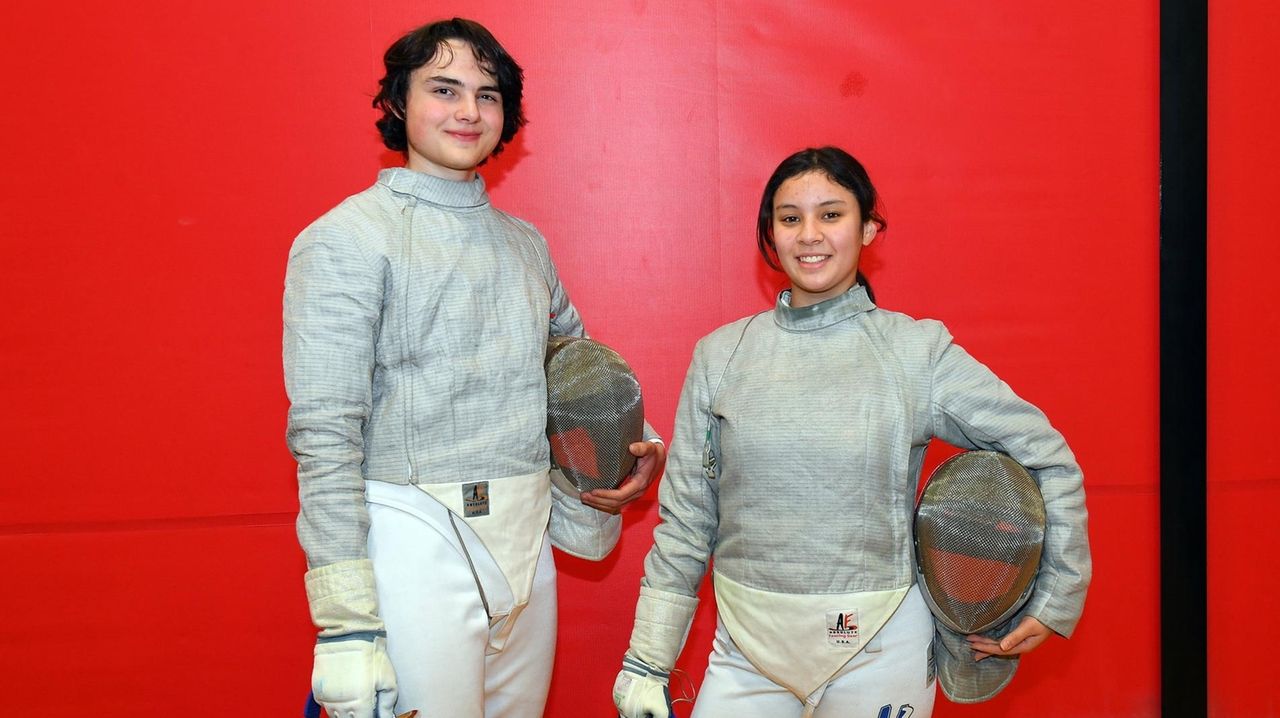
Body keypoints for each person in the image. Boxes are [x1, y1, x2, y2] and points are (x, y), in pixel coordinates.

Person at [612, 147, 1090, 718]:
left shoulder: (916, 351)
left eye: (831, 215)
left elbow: (1046, 456)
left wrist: (1057, 593)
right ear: (771, 233)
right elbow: (689, 517)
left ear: (868, 228)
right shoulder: (721, 355)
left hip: (881, 644)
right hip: (747, 646)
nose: (809, 235)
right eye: (790, 219)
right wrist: (648, 658)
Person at [283, 18, 666, 718]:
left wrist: (631, 451)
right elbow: (324, 433)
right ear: (398, 102)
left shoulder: (524, 246)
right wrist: (346, 621)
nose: (467, 112)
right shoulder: (345, 238)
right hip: (412, 537)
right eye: (444, 89)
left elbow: (578, 376)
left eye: (487, 95)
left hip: (524, 540)